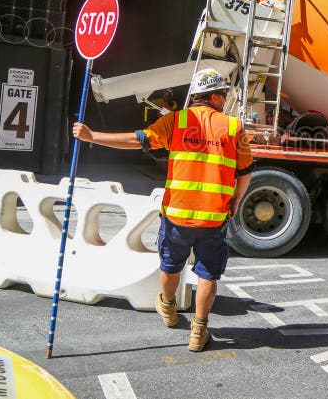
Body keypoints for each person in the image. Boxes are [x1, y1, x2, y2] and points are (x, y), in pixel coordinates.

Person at [72, 68, 253, 352]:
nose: (225, 99)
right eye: (223, 95)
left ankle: (168, 309)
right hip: (214, 217)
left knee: (171, 265)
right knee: (208, 275)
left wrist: (92, 136)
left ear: (195, 95)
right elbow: (245, 172)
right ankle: (198, 332)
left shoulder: (176, 121)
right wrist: (236, 200)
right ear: (216, 96)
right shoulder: (234, 128)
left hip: (177, 214)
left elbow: (137, 140)